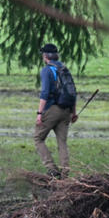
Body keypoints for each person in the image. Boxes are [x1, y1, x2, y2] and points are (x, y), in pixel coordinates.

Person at [34, 43, 78, 179]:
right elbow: (73, 91)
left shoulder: (47, 70)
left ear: (46, 56)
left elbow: (45, 93)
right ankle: (65, 175)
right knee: (62, 143)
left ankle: (52, 169)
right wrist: (74, 112)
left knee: (38, 138)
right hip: (67, 110)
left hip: (52, 109)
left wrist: (40, 113)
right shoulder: (64, 68)